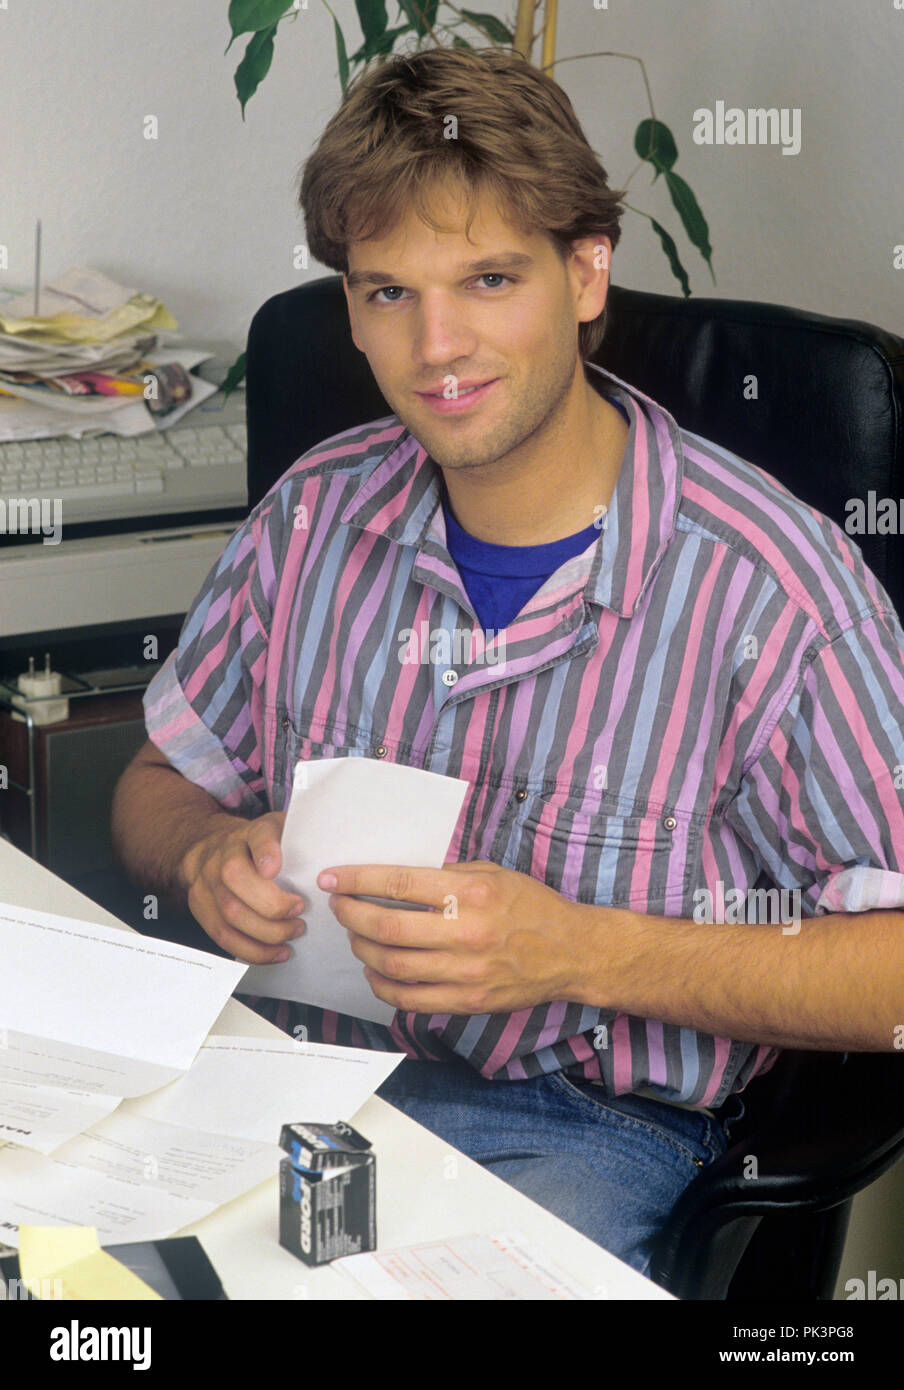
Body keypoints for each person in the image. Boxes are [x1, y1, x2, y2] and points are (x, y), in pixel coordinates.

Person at [112, 46, 904, 1282]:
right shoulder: (313, 512)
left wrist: (577, 949)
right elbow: (159, 781)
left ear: (587, 271)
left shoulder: (774, 589)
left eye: (487, 279)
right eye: (386, 294)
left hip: (582, 1129)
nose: (437, 349)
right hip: (287, 1079)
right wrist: (203, 853)